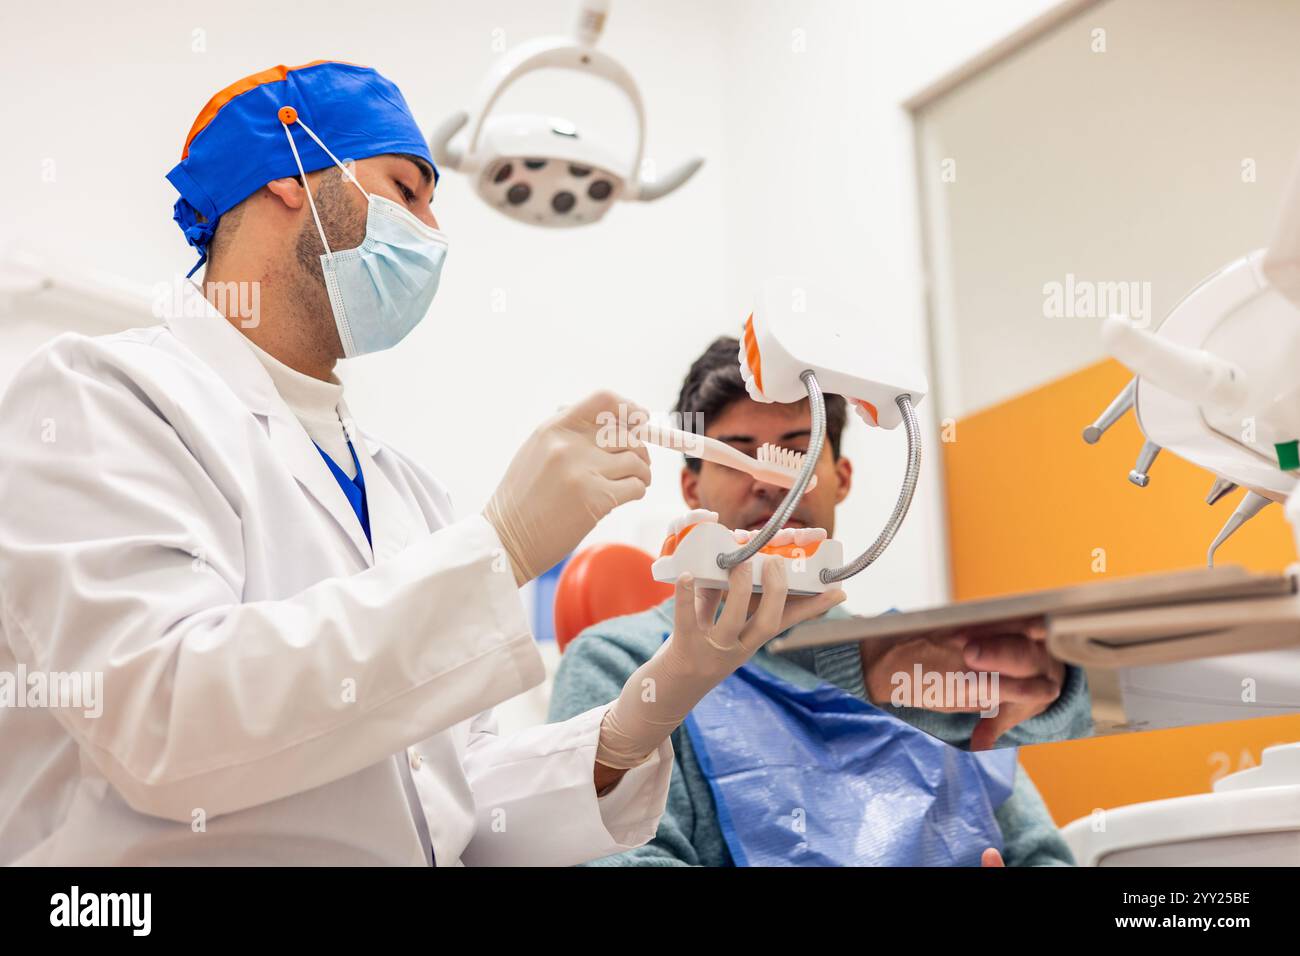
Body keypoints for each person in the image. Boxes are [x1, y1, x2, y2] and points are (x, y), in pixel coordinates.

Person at [0, 61, 841, 866]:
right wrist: (503, 545)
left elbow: (455, 805)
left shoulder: (402, 487)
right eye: (407, 190)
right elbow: (165, 726)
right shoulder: (98, 398)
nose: (432, 236)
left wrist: (656, 700)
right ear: (289, 167)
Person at [549, 336, 1095, 866]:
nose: (769, 482)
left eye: (799, 452)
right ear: (692, 489)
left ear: (842, 479)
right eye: (737, 457)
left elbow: (1038, 848)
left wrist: (1053, 693)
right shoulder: (619, 665)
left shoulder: (913, 660)